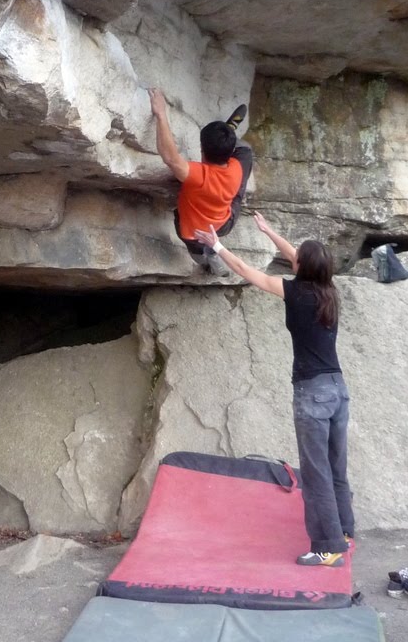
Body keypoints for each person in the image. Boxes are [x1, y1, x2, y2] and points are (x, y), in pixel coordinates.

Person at [194, 212, 354, 567]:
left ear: (302, 267)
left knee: (315, 475)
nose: (292, 258)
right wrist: (269, 232)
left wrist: (217, 245)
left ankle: (328, 548)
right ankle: (344, 532)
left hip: (312, 394)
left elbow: (246, 271)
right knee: (335, 468)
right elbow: (300, 257)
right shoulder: (329, 291)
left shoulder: (295, 292)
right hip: (338, 390)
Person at [148, 88, 253, 274]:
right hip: (224, 223)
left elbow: (170, 158)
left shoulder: (197, 175)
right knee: (245, 156)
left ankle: (210, 266)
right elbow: (242, 152)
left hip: (194, 235)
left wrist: (161, 114)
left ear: (202, 150)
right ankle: (228, 133)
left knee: (200, 256)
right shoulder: (238, 166)